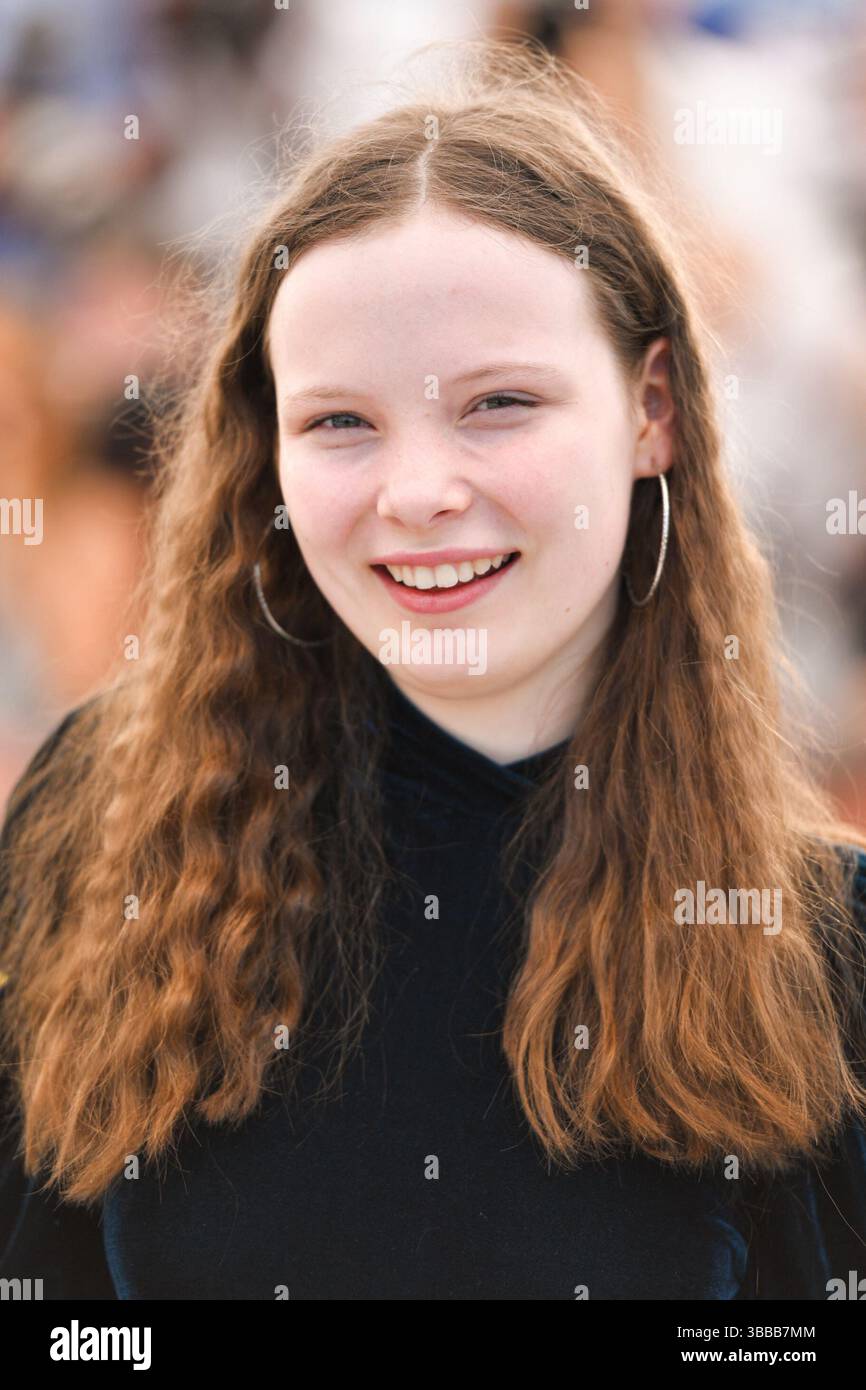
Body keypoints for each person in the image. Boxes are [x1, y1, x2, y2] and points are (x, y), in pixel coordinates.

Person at [2, 38, 866, 1301]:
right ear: (267, 453)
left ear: (652, 407)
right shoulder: (99, 820)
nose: (418, 493)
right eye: (340, 421)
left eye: (498, 403)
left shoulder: (821, 951)